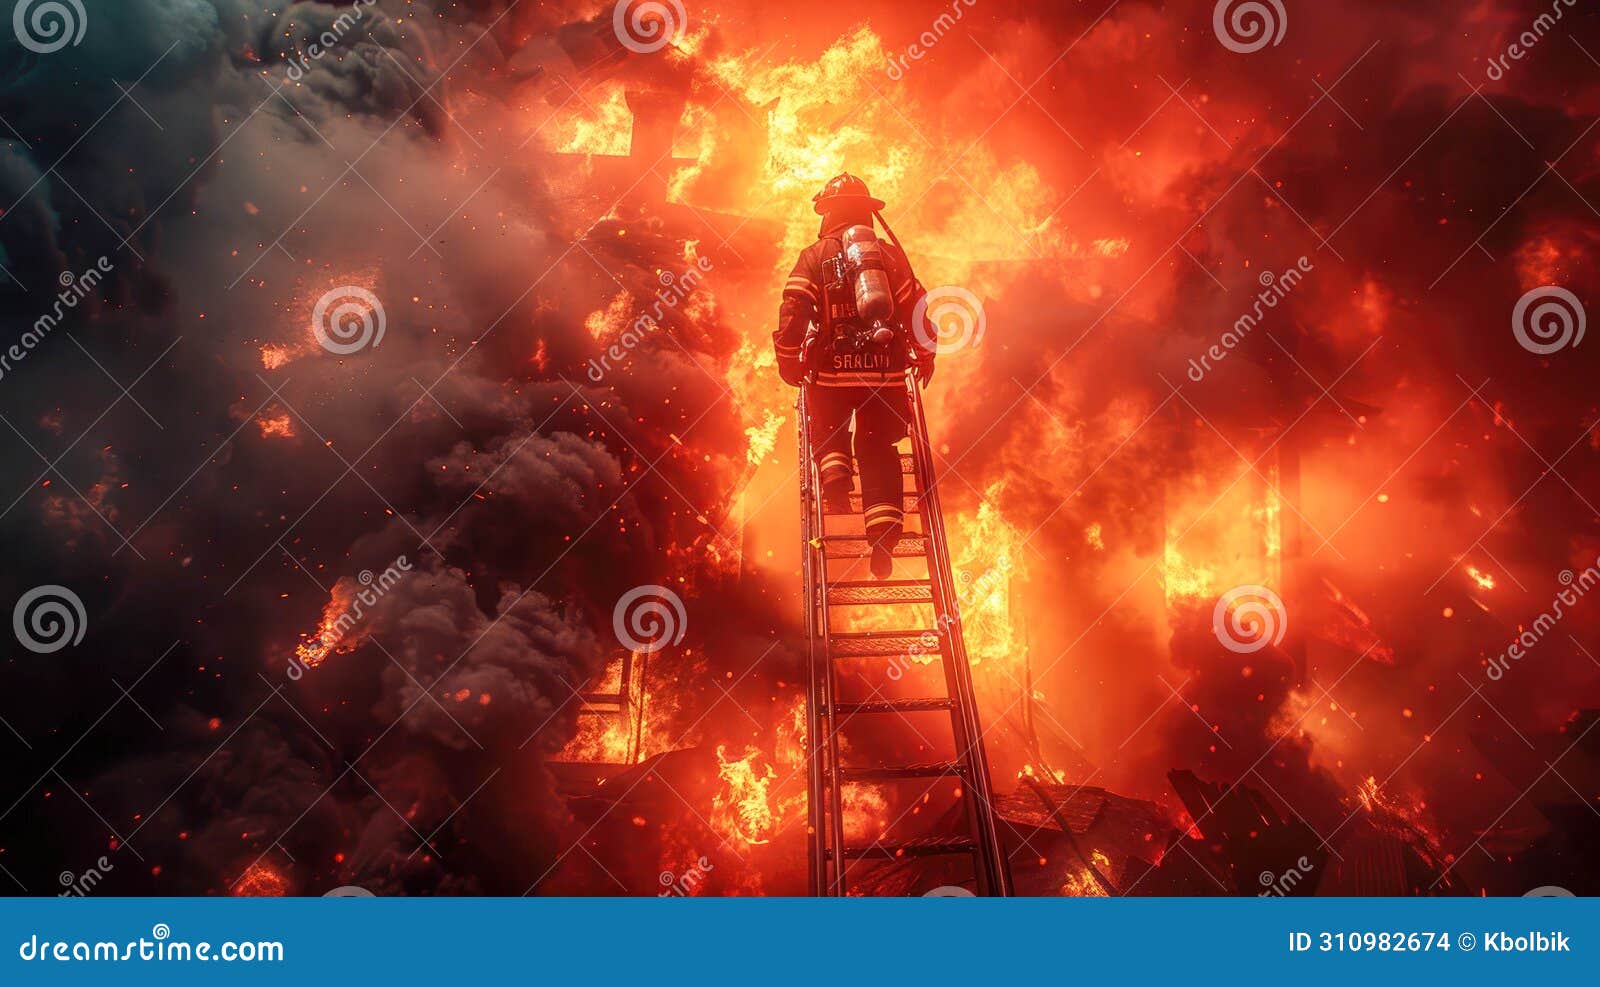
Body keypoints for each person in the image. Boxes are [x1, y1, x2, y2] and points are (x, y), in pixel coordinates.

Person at [772, 173, 935, 579]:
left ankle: (837, 487)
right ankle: (883, 537)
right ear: (868, 211)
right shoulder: (888, 258)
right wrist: (926, 355)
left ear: (827, 213)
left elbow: (793, 312)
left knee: (828, 427)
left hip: (830, 375)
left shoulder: (813, 256)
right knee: (878, 446)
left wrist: (789, 360)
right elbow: (917, 310)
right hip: (886, 375)